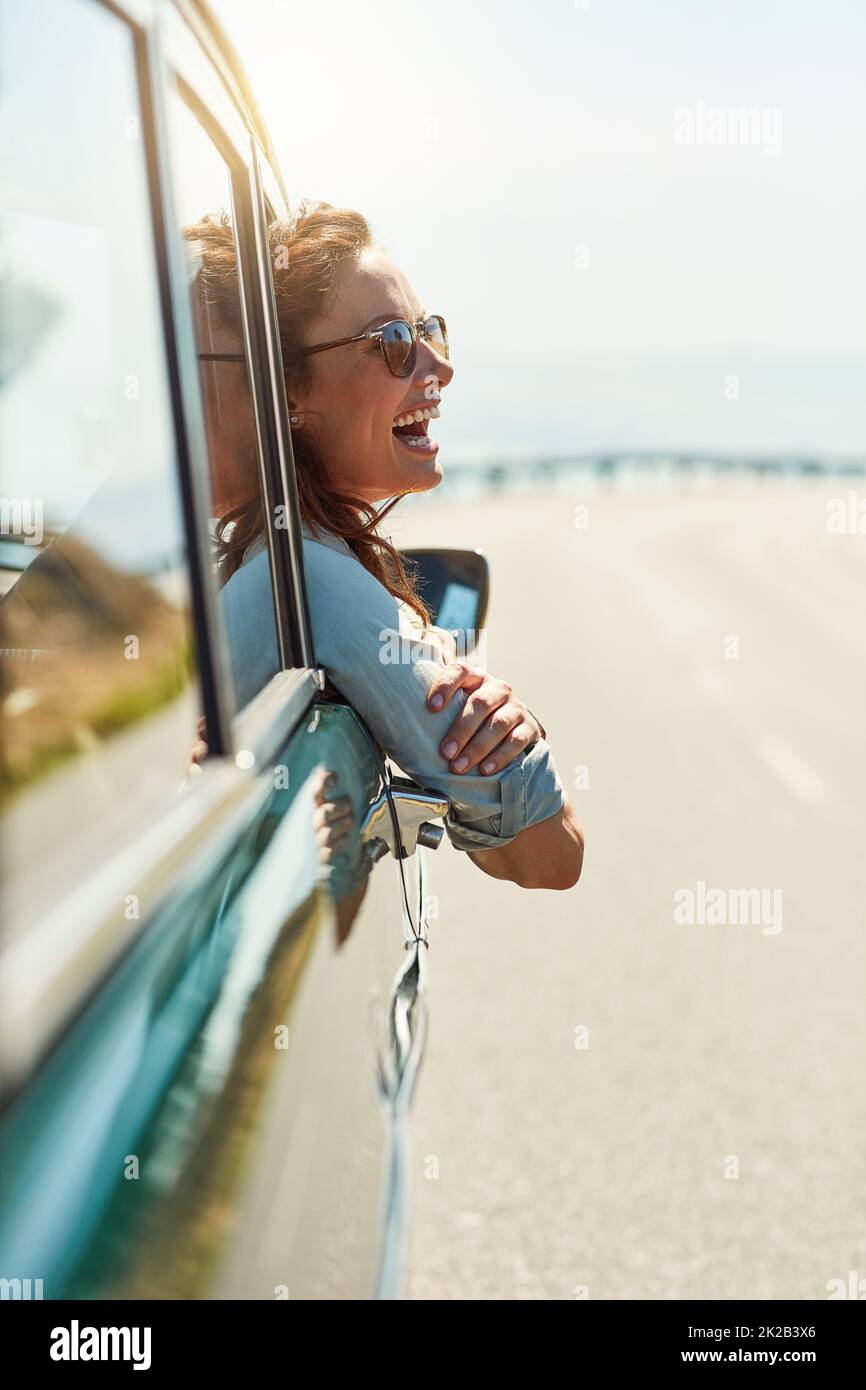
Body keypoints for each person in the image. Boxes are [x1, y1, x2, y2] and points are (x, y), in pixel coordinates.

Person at [190, 205, 584, 890]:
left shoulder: (276, 560)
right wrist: (515, 738)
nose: (438, 366)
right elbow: (553, 856)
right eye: (394, 342)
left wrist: (510, 730)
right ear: (285, 394)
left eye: (433, 332)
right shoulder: (308, 578)